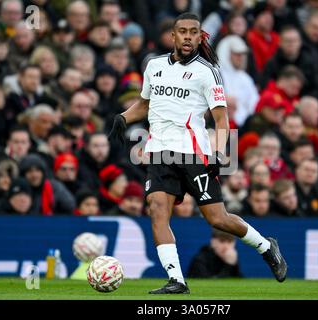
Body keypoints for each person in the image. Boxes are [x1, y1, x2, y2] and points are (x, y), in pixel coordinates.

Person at [108, 13, 287, 294]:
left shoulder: (208, 71)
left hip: (193, 155)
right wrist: (123, 118)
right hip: (159, 153)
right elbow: (145, 104)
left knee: (217, 219)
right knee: (157, 211)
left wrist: (218, 152)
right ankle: (177, 280)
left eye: (194, 31)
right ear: (174, 36)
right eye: (183, 31)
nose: (188, 36)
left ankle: (266, 247)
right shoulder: (154, 66)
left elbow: (221, 120)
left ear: (199, 36)